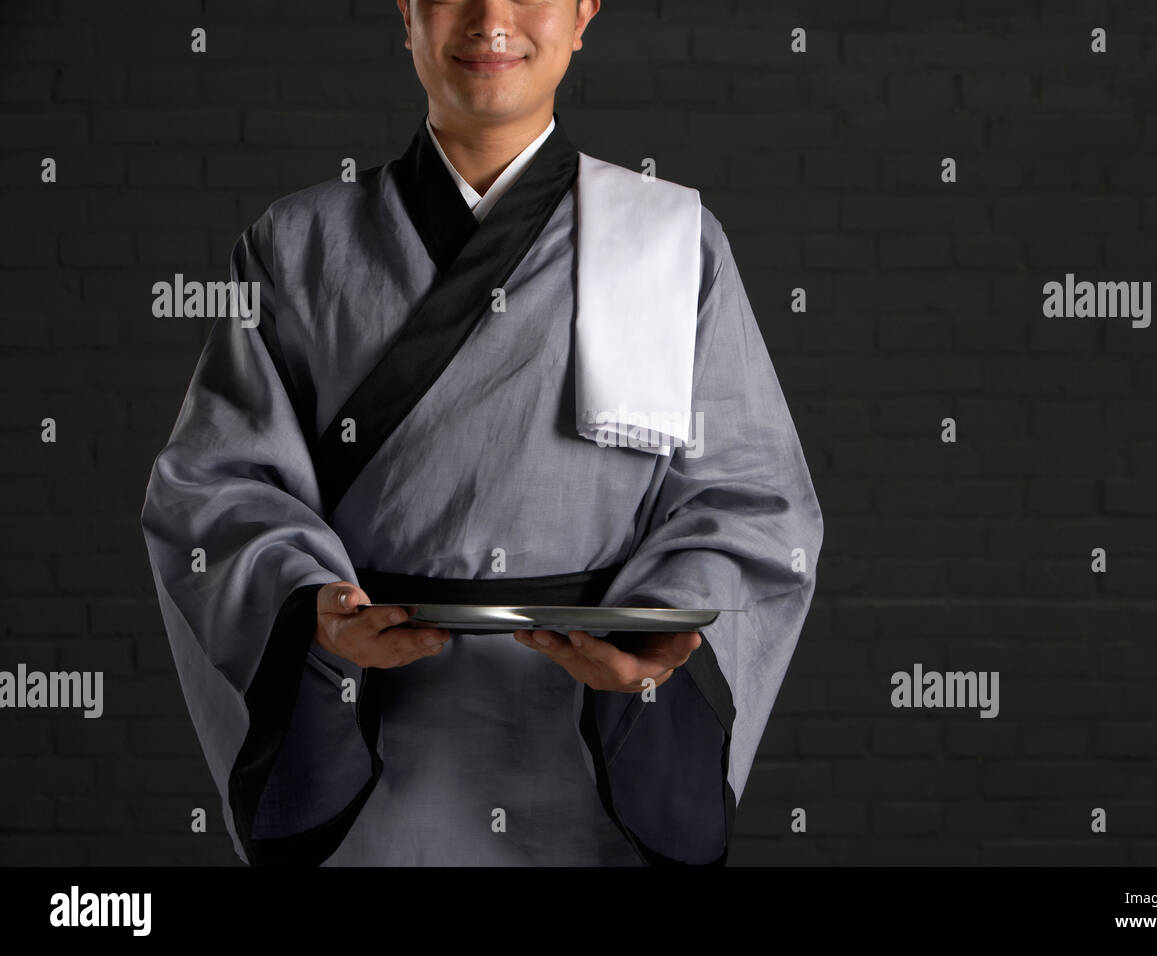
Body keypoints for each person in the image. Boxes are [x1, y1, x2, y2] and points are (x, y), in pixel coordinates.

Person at [140, 0, 823, 866]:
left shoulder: (673, 244)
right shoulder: (295, 244)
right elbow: (214, 490)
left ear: (582, 15)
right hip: (371, 754)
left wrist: (658, 632)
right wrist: (313, 613)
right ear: (408, 12)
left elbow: (752, 503)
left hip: (589, 763)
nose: (493, 16)